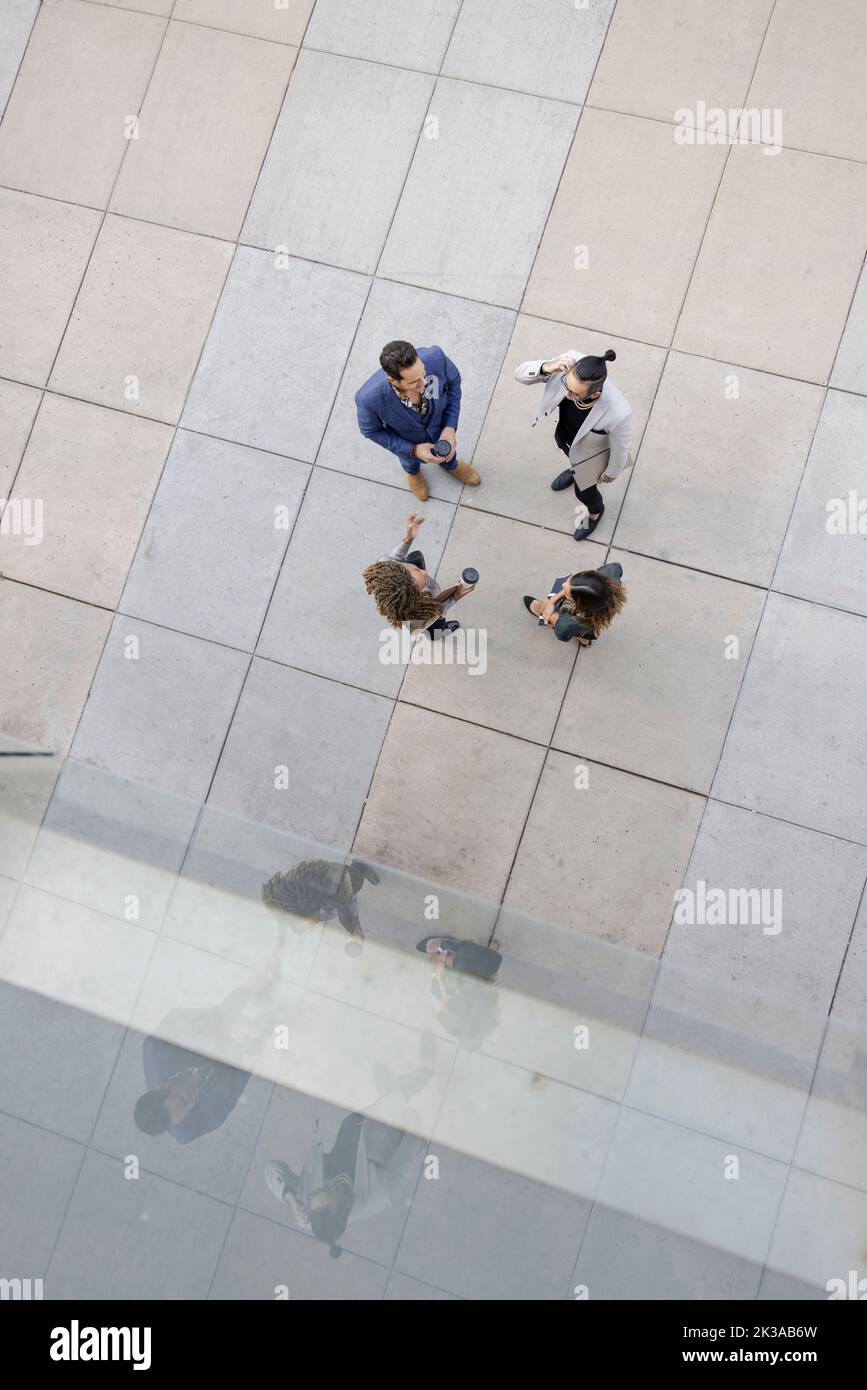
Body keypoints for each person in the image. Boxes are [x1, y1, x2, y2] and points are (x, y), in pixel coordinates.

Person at [265, 1033, 436, 1257]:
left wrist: (289, 1197)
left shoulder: (310, 1206)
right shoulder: (381, 1194)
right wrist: (411, 1120)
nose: (324, 1182)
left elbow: (271, 1168)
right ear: (345, 1205)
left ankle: (388, 1093)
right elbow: (410, 1149)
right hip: (390, 1127)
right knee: (402, 1093)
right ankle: (424, 1072)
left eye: (316, 1190)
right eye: (329, 1189)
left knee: (386, 1100)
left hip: (357, 1128)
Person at [134, 981, 285, 1142]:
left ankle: (261, 980)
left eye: (184, 1101)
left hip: (212, 1023)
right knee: (267, 1027)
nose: (191, 1103)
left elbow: (183, 1016)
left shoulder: (157, 1049)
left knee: (248, 994)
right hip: (232, 1062)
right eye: (186, 1111)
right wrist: (249, 1052)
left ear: (165, 1086)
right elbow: (230, 1095)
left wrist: (226, 1024)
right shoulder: (189, 1127)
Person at [514, 347, 633, 540]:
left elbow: (622, 447)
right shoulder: (570, 363)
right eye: (566, 386)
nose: (567, 394)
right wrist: (547, 367)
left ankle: (596, 512)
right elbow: (519, 374)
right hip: (567, 437)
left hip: (592, 457)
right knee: (571, 457)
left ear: (594, 395)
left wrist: (612, 473)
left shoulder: (619, 412)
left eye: (574, 393)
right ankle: (573, 469)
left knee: (584, 492)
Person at [355, 340, 480, 502]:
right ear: (392, 381)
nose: (424, 382)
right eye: (414, 382)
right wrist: (413, 450)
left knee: (448, 452)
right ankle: (413, 474)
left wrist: (449, 427)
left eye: (423, 373)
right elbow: (370, 431)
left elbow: (454, 382)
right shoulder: (368, 399)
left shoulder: (435, 357)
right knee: (409, 462)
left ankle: (451, 465)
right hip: (407, 441)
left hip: (440, 427)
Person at [363, 511, 476, 637]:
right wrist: (456, 597)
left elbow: (395, 556)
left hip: (423, 594)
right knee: (436, 627)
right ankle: (437, 634)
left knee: (416, 562)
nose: (424, 572)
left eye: (416, 570)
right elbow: (438, 611)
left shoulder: (386, 566)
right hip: (432, 612)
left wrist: (408, 538)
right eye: (421, 578)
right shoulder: (415, 621)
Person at [262, 857, 379, 942]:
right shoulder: (297, 910)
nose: (312, 928)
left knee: (353, 886)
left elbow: (344, 903)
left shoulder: (314, 897)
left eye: (308, 926)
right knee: (328, 912)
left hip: (332, 879)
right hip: (322, 888)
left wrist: (353, 927)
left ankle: (359, 867)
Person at [523, 563, 627, 645]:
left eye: (567, 593)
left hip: (579, 625)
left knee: (545, 611)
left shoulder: (570, 622)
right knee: (586, 635)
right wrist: (553, 600)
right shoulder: (610, 572)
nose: (563, 584)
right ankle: (585, 641)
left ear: (579, 604)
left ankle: (539, 609)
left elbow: (562, 634)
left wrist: (549, 610)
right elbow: (617, 567)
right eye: (569, 580)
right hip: (594, 625)